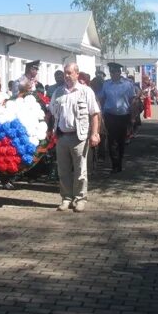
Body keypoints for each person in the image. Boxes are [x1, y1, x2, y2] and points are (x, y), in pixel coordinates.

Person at [49, 63, 100, 213]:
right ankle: (66, 198)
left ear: (77, 74)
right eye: (65, 73)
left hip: (79, 137)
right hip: (62, 137)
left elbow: (94, 114)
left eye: (69, 73)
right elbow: (51, 113)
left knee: (80, 170)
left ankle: (80, 198)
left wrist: (94, 133)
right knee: (63, 170)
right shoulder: (58, 92)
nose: (66, 76)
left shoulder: (86, 91)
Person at [98, 62, 136, 173]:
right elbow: (101, 98)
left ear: (120, 72)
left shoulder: (127, 84)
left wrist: (133, 116)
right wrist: (100, 113)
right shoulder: (106, 84)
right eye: (111, 72)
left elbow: (132, 100)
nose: (113, 74)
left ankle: (119, 162)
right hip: (110, 116)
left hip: (124, 116)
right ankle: (115, 165)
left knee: (121, 140)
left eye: (116, 72)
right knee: (111, 141)